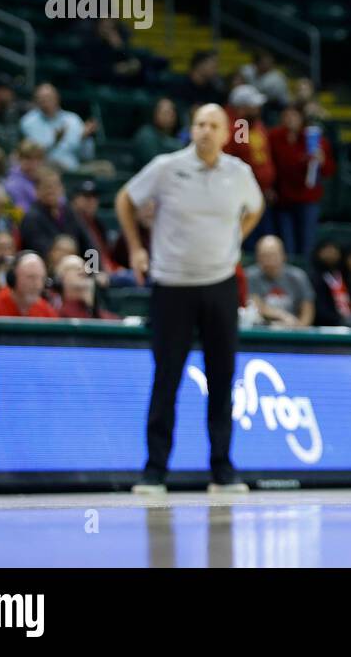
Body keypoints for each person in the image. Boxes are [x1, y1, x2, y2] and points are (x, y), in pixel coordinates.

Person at [115, 104, 264, 494]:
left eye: (213, 125)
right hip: (171, 285)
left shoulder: (239, 173)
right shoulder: (166, 167)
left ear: (227, 133)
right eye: (198, 123)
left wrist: (235, 240)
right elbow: (125, 200)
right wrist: (135, 248)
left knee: (221, 378)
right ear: (190, 129)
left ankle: (222, 470)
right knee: (167, 378)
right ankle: (154, 471)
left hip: (220, 285)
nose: (205, 131)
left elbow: (256, 208)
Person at [268, 103, 333, 257]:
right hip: (283, 200)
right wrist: (269, 187)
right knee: (287, 245)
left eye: (294, 115)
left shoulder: (315, 138)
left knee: (307, 244)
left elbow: (329, 170)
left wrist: (322, 161)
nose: (290, 119)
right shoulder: (274, 137)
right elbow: (269, 166)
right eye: (286, 115)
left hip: (307, 199)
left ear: (301, 118)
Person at [223, 84, 276, 242]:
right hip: (245, 194)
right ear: (241, 108)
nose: (258, 108)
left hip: (262, 192)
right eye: (254, 106)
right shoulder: (240, 126)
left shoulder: (257, 125)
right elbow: (242, 156)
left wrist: (268, 186)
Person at [19, 83, 99, 172]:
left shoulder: (73, 120)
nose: (44, 101)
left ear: (57, 98)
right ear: (36, 101)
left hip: (73, 169)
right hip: (43, 169)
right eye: (41, 98)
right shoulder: (28, 122)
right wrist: (54, 142)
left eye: (48, 98)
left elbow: (87, 157)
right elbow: (32, 154)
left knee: (104, 167)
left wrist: (85, 138)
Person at [19, 168, 93, 260]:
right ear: (36, 190)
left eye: (55, 186)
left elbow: (89, 246)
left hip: (76, 268)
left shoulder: (69, 212)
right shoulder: (32, 218)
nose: (52, 190)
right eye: (47, 187)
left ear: (62, 188)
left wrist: (94, 270)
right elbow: (44, 254)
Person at [245, 234, 315, 328]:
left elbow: (308, 310)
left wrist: (300, 329)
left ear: (283, 255)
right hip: (262, 330)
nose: (269, 260)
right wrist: (283, 316)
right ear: (257, 258)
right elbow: (255, 305)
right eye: (264, 256)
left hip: (293, 330)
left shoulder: (298, 276)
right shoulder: (249, 276)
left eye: (273, 255)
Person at [0, 250, 58, 318]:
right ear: (13, 278)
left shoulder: (46, 311)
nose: (38, 285)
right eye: (30, 277)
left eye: (41, 279)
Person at [132, 98, 184, 169]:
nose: (168, 116)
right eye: (165, 112)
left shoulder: (177, 135)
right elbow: (153, 164)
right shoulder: (146, 135)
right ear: (155, 114)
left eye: (171, 112)